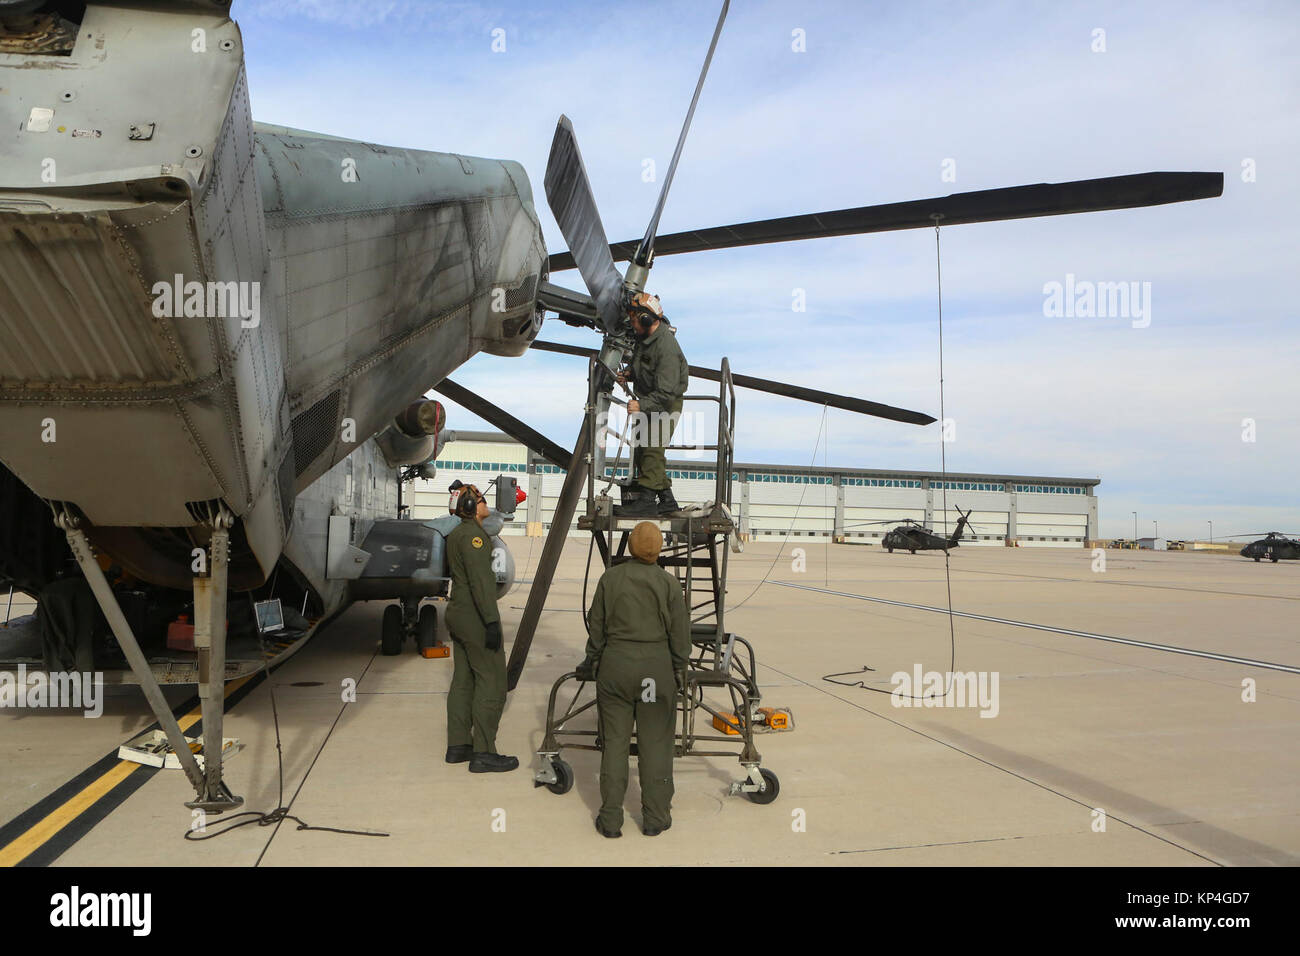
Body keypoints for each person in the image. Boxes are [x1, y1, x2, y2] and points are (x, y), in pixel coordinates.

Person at [576, 521, 690, 837]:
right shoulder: (668, 584)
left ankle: (611, 819)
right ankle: (655, 817)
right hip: (654, 671)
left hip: (616, 667)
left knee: (614, 743)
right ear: (659, 548)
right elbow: (680, 635)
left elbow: (596, 624)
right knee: (655, 743)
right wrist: (680, 668)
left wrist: (593, 657)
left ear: (630, 548)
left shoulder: (610, 579)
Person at [444, 484, 517, 773]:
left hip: (457, 614)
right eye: (482, 500)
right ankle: (484, 752)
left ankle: (459, 745)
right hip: (475, 615)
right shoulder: (475, 537)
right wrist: (490, 621)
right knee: (492, 679)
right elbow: (481, 584)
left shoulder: (456, 533)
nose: (486, 505)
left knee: (463, 679)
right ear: (472, 507)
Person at [613, 292, 688, 517]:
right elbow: (643, 366)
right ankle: (666, 500)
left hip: (664, 404)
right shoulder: (644, 339)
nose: (632, 325)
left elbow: (666, 393)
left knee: (652, 450)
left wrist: (640, 405)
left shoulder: (667, 349)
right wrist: (629, 373)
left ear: (646, 319)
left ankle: (645, 502)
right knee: (642, 449)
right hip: (649, 401)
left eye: (635, 319)